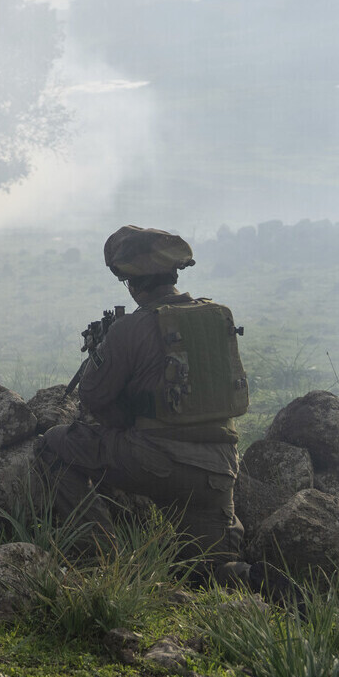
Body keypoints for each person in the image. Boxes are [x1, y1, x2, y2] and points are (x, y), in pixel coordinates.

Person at [36, 226, 249, 581]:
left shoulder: (129, 329)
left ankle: (103, 561)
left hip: (158, 463)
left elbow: (92, 397)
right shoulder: (217, 317)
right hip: (218, 472)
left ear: (132, 284)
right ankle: (255, 579)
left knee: (54, 445)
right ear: (172, 275)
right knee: (204, 572)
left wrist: (102, 354)